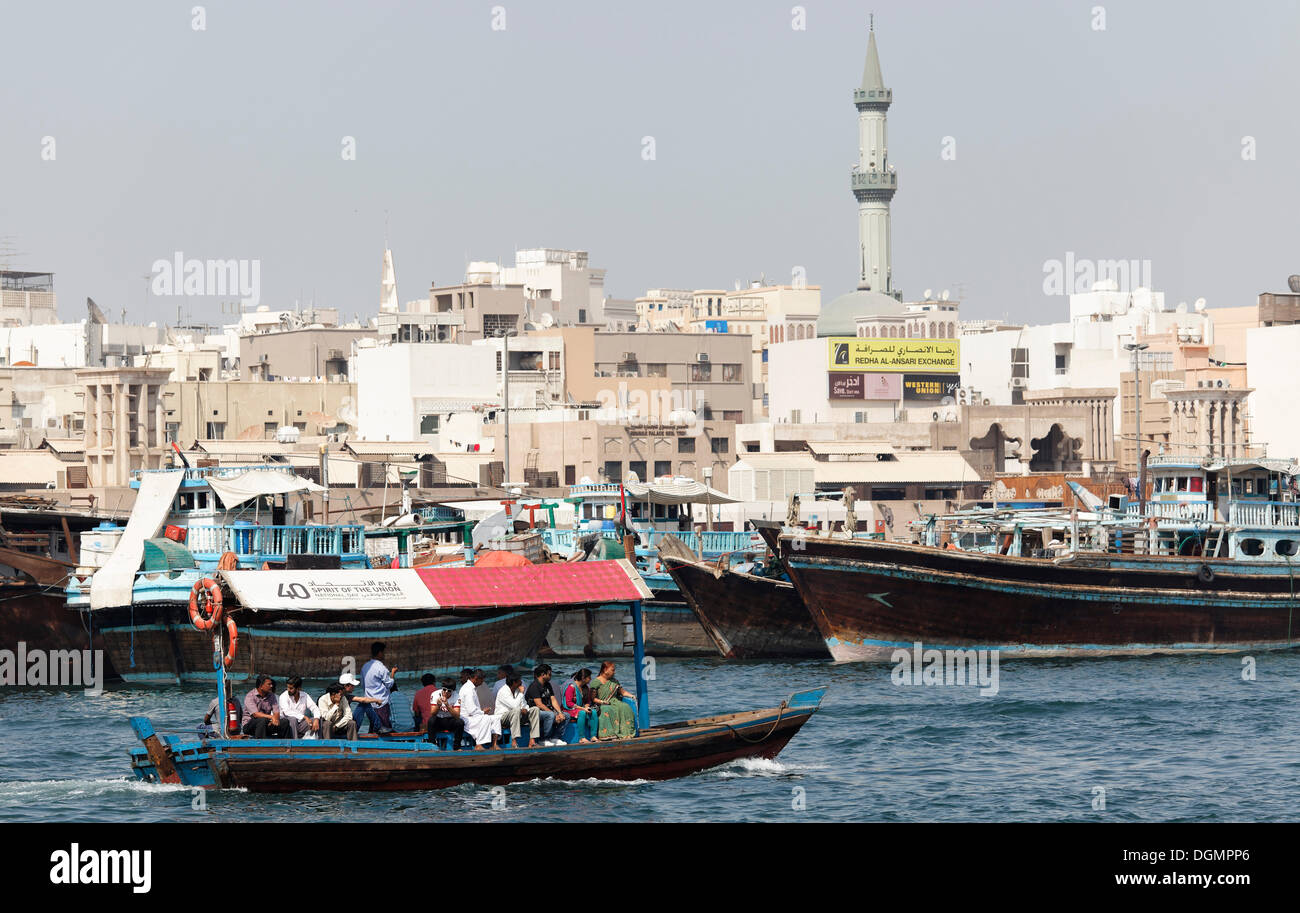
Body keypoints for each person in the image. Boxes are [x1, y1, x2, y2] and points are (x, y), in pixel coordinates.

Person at [457, 668, 501, 750]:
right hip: (467, 718)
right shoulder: (468, 690)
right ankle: (479, 744)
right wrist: (483, 712)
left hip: (474, 716)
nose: (482, 683)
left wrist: (482, 712)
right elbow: (471, 710)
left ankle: (494, 744)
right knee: (486, 718)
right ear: (476, 679)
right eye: (481, 681)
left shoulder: (472, 688)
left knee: (496, 718)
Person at [360, 642, 398, 734]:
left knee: (373, 727)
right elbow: (389, 684)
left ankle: (369, 747)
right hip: (381, 703)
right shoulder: (381, 668)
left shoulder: (365, 667)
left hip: (369, 702)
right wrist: (393, 673)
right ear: (380, 653)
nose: (384, 655)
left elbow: (363, 684)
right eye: (383, 652)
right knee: (384, 728)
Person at [592, 661, 636, 740]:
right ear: (605, 670)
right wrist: (602, 702)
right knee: (606, 709)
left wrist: (632, 696)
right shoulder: (596, 682)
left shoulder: (614, 681)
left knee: (625, 707)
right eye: (612, 670)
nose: (614, 672)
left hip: (615, 702)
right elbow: (592, 698)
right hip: (601, 703)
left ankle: (626, 733)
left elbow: (622, 692)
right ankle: (608, 735)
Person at [524, 664, 566, 746]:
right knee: (550, 715)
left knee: (566, 715)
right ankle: (543, 739)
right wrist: (554, 714)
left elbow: (553, 700)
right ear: (543, 675)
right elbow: (539, 704)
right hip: (535, 712)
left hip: (546, 710)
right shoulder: (534, 686)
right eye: (549, 674)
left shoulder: (548, 685)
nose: (551, 676)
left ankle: (555, 738)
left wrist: (559, 712)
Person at [493, 676, 538, 749]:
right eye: (519, 681)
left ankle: (532, 741)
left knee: (535, 709)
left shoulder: (517, 690)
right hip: (503, 717)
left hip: (518, 715)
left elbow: (524, 704)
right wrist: (521, 693)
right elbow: (514, 706)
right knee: (516, 711)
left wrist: (525, 709)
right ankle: (514, 742)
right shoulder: (503, 691)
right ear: (514, 683)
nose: (521, 683)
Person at [242, 674, 290, 738]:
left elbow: (276, 712)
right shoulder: (250, 696)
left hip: (266, 723)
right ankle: (261, 745)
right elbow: (255, 714)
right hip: (250, 726)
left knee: (285, 722)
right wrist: (271, 717)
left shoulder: (272, 696)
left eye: (271, 684)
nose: (271, 686)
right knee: (262, 720)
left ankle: (283, 745)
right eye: (269, 684)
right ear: (261, 686)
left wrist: (274, 719)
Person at [561, 668, 598, 743]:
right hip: (569, 709)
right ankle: (582, 738)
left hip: (580, 708)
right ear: (583, 678)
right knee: (582, 713)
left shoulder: (585, 687)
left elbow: (587, 701)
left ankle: (593, 736)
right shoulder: (571, 687)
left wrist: (587, 706)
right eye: (589, 677)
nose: (590, 679)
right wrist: (582, 709)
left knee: (593, 712)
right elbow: (568, 703)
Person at [279, 675, 321, 739]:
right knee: (293, 719)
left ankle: (319, 744)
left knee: (318, 720)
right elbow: (287, 712)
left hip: (300, 725)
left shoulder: (305, 695)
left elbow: (315, 708)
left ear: (299, 688)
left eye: (291, 688)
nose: (288, 690)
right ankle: (295, 744)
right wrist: (304, 717)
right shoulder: (283, 696)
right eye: (287, 687)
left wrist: (316, 719)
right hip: (287, 724)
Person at [427, 678, 464, 748]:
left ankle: (457, 746)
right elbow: (432, 713)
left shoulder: (457, 696)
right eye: (444, 689)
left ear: (452, 691)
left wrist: (447, 705)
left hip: (450, 720)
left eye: (449, 691)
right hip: (439, 720)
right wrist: (438, 705)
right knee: (431, 720)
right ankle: (432, 745)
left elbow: (457, 716)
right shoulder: (435, 694)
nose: (446, 692)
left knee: (460, 722)